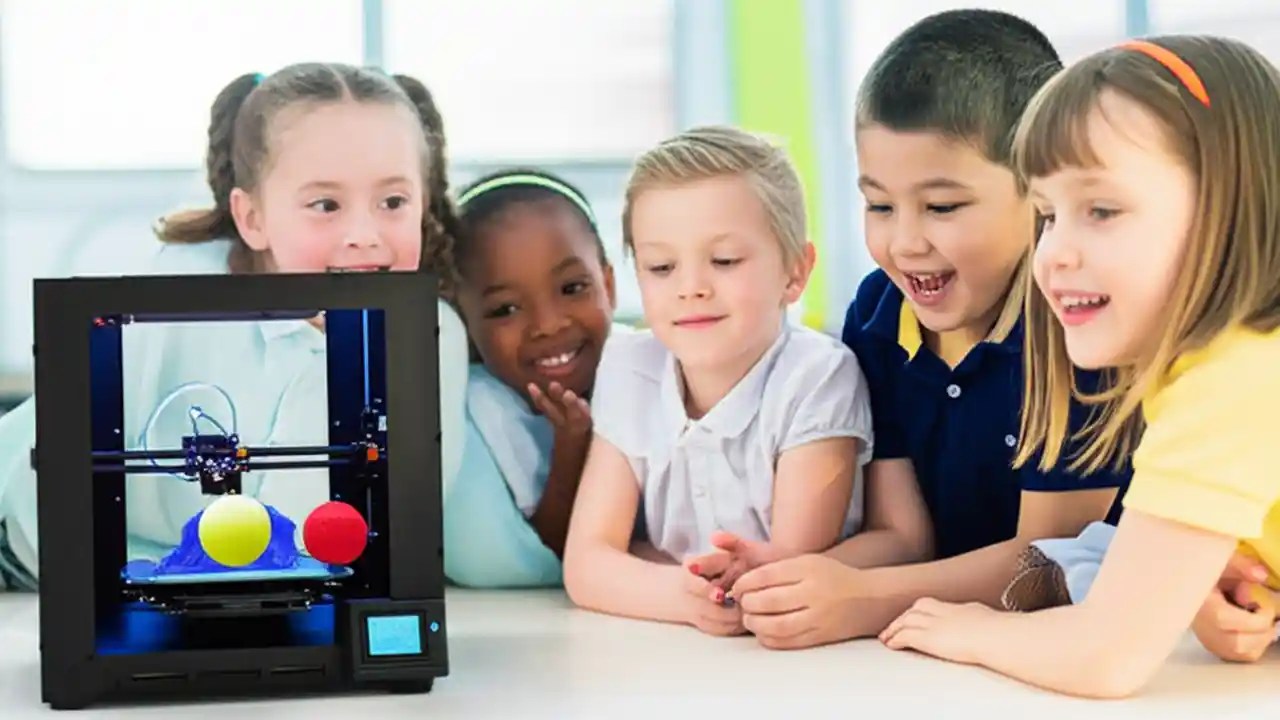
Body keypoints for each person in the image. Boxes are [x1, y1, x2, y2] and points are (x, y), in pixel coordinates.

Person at [700, 10, 1130, 650]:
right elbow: (903, 534)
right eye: (878, 205)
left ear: (1041, 190)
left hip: (1070, 647)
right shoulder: (877, 315)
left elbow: (1053, 561)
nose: (903, 243)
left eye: (942, 207)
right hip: (927, 650)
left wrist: (864, 601)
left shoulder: (1079, 325)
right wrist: (790, 577)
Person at [879, 35, 1280, 698]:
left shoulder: (1236, 377)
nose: (1054, 254)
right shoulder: (1219, 367)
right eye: (1046, 215)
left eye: (1101, 210)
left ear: (1231, 209)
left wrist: (971, 629)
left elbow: (1104, 657)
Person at [0, 63, 469, 589]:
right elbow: (58, 458)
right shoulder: (181, 291)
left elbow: (375, 531)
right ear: (253, 219)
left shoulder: (429, 336)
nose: (364, 234)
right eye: (326, 204)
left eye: (393, 202)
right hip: (36, 546)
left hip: (218, 591)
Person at [562, 125, 874, 635]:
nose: (691, 288)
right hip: (678, 648)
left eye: (724, 261)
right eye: (661, 266)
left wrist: (643, 568)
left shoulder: (817, 375)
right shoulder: (628, 366)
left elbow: (789, 568)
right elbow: (587, 564)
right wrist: (681, 598)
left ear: (795, 272)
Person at [444, 169, 620, 587]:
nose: (548, 325)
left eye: (573, 287)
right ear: (465, 322)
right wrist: (570, 450)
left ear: (608, 286)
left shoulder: (649, 367)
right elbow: (548, 553)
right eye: (505, 309)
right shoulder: (486, 413)